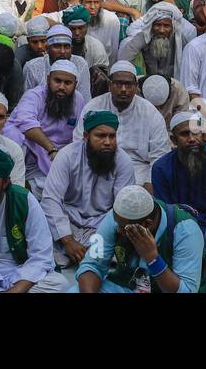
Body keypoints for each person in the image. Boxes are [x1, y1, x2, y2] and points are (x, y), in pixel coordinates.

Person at [0, 144, 66, 293]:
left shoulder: (25, 200)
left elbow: (41, 256)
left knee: (59, 285)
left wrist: (16, 291)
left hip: (17, 274)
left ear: (5, 183)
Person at [41, 110, 136, 272]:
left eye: (112, 136)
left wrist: (106, 233)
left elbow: (122, 208)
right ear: (85, 136)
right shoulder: (67, 155)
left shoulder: (123, 161)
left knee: (111, 254)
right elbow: (51, 199)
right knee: (43, 249)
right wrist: (68, 240)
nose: (107, 142)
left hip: (102, 225)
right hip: (69, 222)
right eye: (100, 136)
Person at [73, 184, 203, 293]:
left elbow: (187, 290)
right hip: (125, 285)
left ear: (147, 224)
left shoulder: (185, 229)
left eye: (123, 227)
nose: (118, 229)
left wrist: (152, 258)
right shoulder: (116, 219)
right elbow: (92, 264)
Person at [75, 62, 168, 186]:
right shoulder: (94, 107)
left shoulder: (150, 112)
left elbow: (160, 155)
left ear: (136, 87)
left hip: (138, 174)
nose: (123, 89)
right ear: (109, 85)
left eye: (128, 84)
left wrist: (149, 183)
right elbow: (79, 143)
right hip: (99, 168)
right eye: (118, 84)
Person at [2, 62, 87, 197]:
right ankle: (14, 181)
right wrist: (51, 149)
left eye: (67, 83)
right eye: (57, 81)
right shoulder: (34, 95)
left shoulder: (78, 100)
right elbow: (26, 122)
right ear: (48, 79)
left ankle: (32, 187)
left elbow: (80, 132)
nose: (61, 87)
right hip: (32, 150)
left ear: (75, 84)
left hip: (57, 154)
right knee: (14, 134)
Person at [149, 111, 206, 225]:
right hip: (179, 227)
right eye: (185, 134)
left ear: (202, 135)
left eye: (196, 132)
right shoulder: (161, 169)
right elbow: (166, 212)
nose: (191, 139)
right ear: (174, 140)